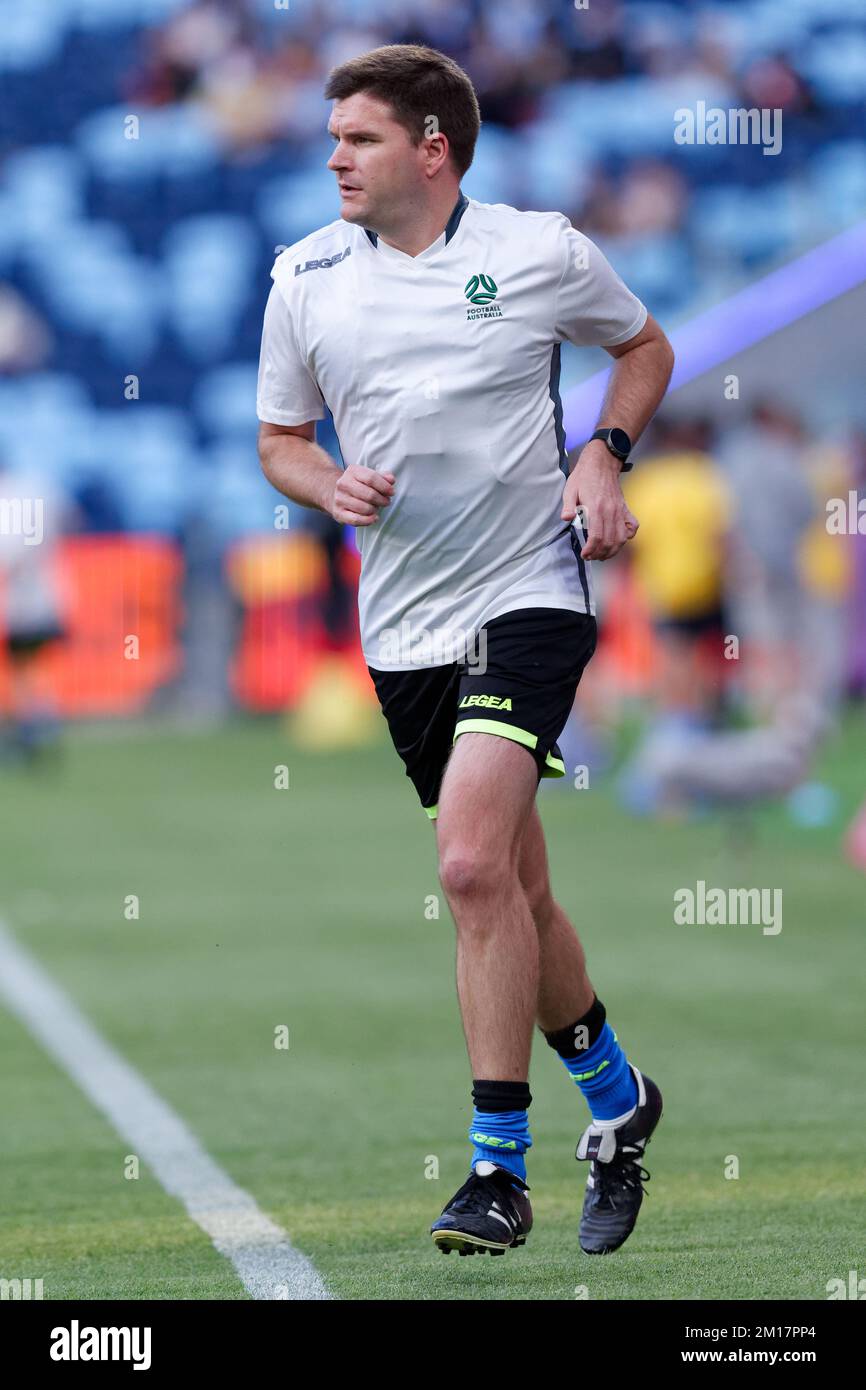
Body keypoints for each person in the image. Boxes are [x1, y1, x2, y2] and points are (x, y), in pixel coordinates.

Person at [256, 44, 674, 1258]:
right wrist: (326, 481)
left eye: (361, 137)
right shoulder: (304, 277)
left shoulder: (536, 252)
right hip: (403, 624)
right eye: (332, 136)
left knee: (467, 867)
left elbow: (641, 348)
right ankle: (618, 1097)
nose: (334, 155)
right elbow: (279, 435)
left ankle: (497, 1171)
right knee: (515, 891)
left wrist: (603, 454)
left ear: (431, 148)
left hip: (528, 590)